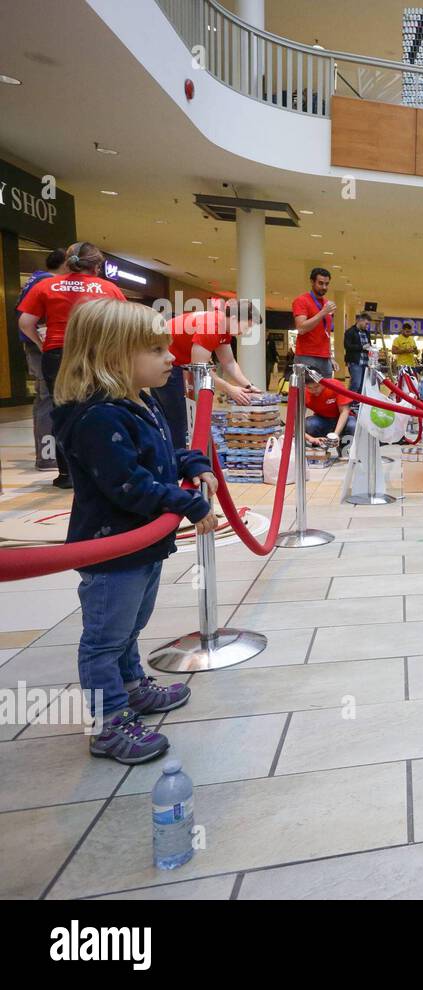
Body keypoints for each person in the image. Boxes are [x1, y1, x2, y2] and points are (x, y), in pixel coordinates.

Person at [51, 298, 217, 765]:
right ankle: (108, 721)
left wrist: (194, 463)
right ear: (113, 355)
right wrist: (187, 502)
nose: (171, 358)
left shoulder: (138, 403)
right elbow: (129, 483)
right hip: (111, 550)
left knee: (130, 627)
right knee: (105, 637)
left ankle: (130, 685)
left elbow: (161, 457)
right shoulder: (98, 418)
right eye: (156, 349)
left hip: (141, 546)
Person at [17, 241, 127, 489]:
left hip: (57, 354)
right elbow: (123, 324)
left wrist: (43, 343)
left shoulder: (46, 285)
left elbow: (26, 323)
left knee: (63, 412)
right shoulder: (108, 288)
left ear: (68, 261)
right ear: (97, 266)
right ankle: (98, 471)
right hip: (95, 355)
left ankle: (67, 474)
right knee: (99, 410)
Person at [156, 300, 261, 450]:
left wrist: (248, 385)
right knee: (176, 420)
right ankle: (175, 465)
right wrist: (229, 389)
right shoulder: (210, 327)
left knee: (177, 419)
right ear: (234, 319)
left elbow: (229, 363)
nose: (245, 332)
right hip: (165, 363)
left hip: (177, 362)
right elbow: (199, 370)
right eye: (247, 326)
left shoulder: (223, 327)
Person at [15, 248, 68, 472]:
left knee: (43, 397)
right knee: (49, 397)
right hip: (42, 346)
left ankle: (46, 454)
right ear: (65, 264)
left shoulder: (35, 279)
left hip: (34, 345)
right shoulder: (47, 282)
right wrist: (41, 344)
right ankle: (48, 456)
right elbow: (28, 321)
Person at [290, 267, 338, 380]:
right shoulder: (302, 301)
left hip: (325, 358)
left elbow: (325, 333)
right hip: (306, 356)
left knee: (325, 394)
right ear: (312, 282)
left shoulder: (327, 303)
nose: (324, 287)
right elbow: (301, 328)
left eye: (327, 284)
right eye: (320, 283)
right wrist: (323, 312)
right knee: (307, 393)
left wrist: (330, 356)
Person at [303, 377, 356, 447]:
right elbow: (295, 424)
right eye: (309, 388)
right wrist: (311, 439)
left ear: (323, 382)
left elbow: (344, 411)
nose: (314, 390)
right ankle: (318, 451)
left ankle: (345, 452)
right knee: (310, 424)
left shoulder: (334, 385)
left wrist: (336, 434)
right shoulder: (303, 393)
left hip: (342, 419)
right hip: (322, 420)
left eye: (317, 386)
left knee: (352, 425)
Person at [343, 314, 373, 393]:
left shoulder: (367, 333)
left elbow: (368, 346)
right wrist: (362, 347)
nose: (367, 326)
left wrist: (371, 349)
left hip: (365, 362)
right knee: (356, 383)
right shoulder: (350, 332)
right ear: (360, 320)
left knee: (362, 385)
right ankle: (349, 401)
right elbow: (347, 346)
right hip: (355, 362)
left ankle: (357, 403)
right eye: (366, 323)